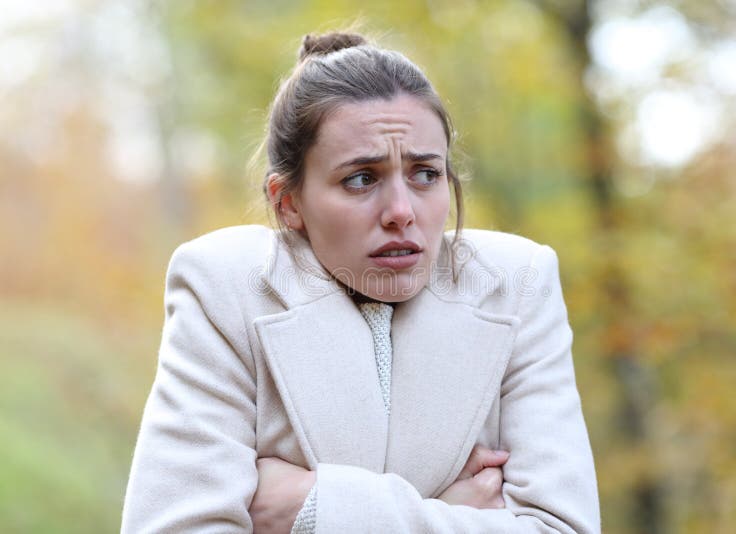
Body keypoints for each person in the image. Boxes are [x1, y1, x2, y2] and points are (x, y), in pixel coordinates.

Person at [121, 31, 600, 533]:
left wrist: (311, 508)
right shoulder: (227, 288)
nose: (401, 212)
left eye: (425, 174)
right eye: (361, 179)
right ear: (288, 202)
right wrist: (447, 511)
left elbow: (564, 527)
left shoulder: (516, 284)